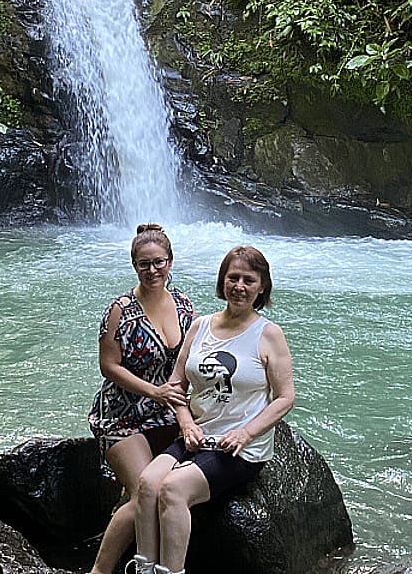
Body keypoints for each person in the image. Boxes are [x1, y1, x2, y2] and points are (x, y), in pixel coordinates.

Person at [129, 245, 295, 574]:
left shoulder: (269, 334)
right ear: (222, 282)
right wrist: (187, 424)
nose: (240, 286)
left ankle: (171, 572)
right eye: (233, 278)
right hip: (197, 435)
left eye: (249, 280)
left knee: (172, 489)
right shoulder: (200, 326)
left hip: (238, 446)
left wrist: (247, 433)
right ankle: (144, 567)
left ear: (262, 286)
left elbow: (285, 397)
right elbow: (176, 387)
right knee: (148, 483)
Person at [87, 224, 197, 574]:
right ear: (134, 265)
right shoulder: (120, 309)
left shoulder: (184, 306)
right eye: (144, 264)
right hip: (122, 414)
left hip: (168, 413)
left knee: (174, 488)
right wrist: (154, 391)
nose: (152, 271)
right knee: (142, 496)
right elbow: (108, 366)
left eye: (158, 263)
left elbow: (189, 364)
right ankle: (99, 571)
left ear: (170, 262)